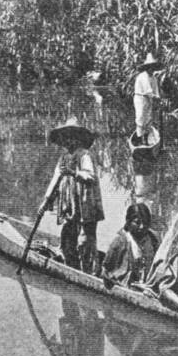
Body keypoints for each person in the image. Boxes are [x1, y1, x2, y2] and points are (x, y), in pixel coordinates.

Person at [40, 117, 105, 275]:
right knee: (68, 239)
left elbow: (90, 177)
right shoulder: (63, 158)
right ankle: (71, 269)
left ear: (78, 138)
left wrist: (74, 173)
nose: (68, 140)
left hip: (86, 206)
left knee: (85, 241)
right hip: (71, 207)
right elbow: (55, 180)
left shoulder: (84, 155)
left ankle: (89, 274)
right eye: (65, 137)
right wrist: (46, 202)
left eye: (71, 136)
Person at [102, 203, 160, 287]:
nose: (141, 227)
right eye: (137, 223)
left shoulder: (153, 240)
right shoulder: (120, 242)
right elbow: (106, 270)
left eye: (145, 223)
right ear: (128, 221)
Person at [133, 53, 163, 145]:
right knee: (140, 117)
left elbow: (155, 91)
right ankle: (139, 139)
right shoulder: (142, 76)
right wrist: (156, 98)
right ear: (146, 68)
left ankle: (145, 139)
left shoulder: (153, 78)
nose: (151, 69)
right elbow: (148, 91)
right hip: (140, 98)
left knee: (148, 118)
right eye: (149, 67)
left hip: (148, 99)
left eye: (153, 67)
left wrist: (159, 98)